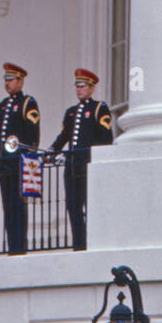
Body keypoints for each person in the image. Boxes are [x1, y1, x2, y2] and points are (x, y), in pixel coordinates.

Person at [50, 67, 113, 251]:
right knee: (73, 205)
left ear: (92, 88)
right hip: (72, 166)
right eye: (77, 86)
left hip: (88, 165)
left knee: (89, 205)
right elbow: (63, 137)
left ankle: (90, 242)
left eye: (83, 86)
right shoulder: (71, 112)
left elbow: (105, 137)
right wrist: (52, 150)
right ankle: (78, 242)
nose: (79, 89)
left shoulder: (98, 108)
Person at [0, 62, 40, 255]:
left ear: (20, 81)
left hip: (19, 163)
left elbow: (32, 134)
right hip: (5, 164)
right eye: (6, 80)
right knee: (8, 206)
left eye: (10, 80)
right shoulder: (3, 105)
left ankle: (19, 246)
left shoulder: (28, 103)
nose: (7, 84)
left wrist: (27, 156)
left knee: (18, 206)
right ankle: (12, 245)